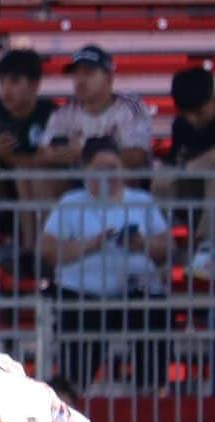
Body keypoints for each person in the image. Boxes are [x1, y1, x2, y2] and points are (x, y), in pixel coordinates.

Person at [40, 136, 171, 388]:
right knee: (77, 337)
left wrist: (141, 244)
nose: (108, 175)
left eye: (113, 168)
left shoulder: (142, 201)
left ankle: (152, 395)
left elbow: (166, 248)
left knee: (155, 318)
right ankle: (73, 399)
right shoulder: (70, 203)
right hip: (82, 295)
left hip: (137, 292)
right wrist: (91, 244)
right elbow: (47, 250)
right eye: (101, 169)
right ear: (86, 170)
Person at [0, 49, 58, 267]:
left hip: (41, 191)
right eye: (2, 81)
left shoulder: (50, 114)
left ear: (34, 84)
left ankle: (34, 251)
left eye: (14, 81)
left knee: (28, 174)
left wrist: (11, 158)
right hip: (5, 192)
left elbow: (49, 161)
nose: (6, 89)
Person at [35, 45, 152, 199]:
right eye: (75, 74)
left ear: (109, 78)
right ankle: (48, 224)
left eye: (88, 73)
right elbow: (41, 153)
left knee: (123, 171)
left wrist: (85, 154)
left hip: (119, 180)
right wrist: (52, 155)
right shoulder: (65, 112)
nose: (80, 80)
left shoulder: (129, 107)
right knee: (37, 174)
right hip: (75, 179)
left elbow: (138, 156)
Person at [163, 66, 215, 278]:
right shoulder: (182, 126)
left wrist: (201, 163)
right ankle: (159, 246)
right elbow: (177, 162)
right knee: (160, 181)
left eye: (199, 112)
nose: (193, 119)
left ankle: (207, 246)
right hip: (194, 191)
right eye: (186, 114)